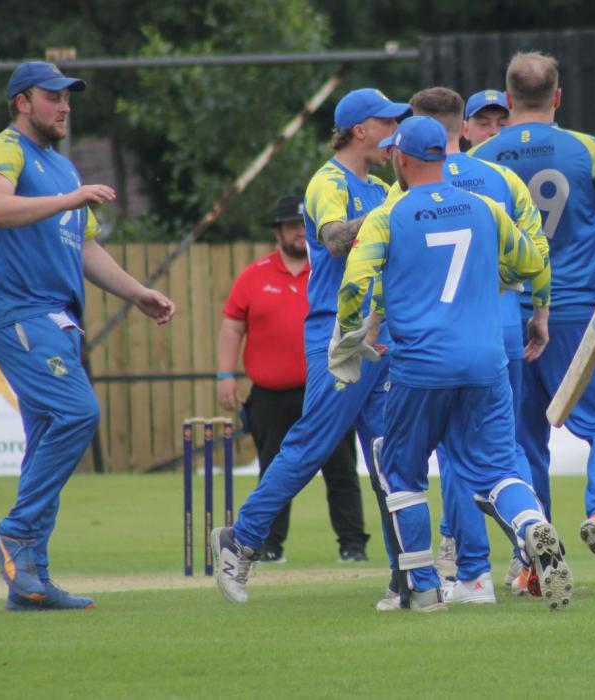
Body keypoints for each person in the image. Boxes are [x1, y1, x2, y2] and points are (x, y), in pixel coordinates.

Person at [330, 115, 571, 612]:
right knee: (499, 467)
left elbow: (355, 283)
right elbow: (534, 261)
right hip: (486, 363)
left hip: (420, 366)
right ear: (443, 153)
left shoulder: (388, 214)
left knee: (401, 469)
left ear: (400, 157)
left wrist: (349, 345)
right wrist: (529, 302)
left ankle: (420, 588)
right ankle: (532, 527)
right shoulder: (485, 208)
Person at [0, 62, 176, 611]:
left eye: (68, 99)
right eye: (52, 97)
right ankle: (14, 535)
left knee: (46, 444)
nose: (64, 107)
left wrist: (136, 292)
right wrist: (68, 200)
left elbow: (82, 248)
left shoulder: (62, 168)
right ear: (22, 102)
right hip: (19, 311)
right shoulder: (3, 150)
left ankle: (28, 581)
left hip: (56, 320)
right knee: (78, 414)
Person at [212, 88, 409, 603]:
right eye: (386, 122)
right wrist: (392, 214)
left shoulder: (383, 185)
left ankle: (406, 573)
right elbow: (335, 238)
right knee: (312, 444)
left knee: (393, 457)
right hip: (338, 337)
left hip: (380, 336)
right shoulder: (328, 181)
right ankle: (240, 539)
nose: (395, 132)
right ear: (359, 129)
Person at [470, 52, 595, 597]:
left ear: (507, 96)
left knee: (522, 440)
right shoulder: (591, 151)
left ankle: (533, 559)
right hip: (580, 315)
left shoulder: (481, 156)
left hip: (507, 316)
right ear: (558, 97)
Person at [400, 87, 549, 604]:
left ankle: (469, 569)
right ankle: (529, 541)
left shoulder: (402, 198)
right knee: (506, 450)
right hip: (500, 332)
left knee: (455, 458)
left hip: (433, 347)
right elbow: (536, 253)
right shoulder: (500, 180)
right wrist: (540, 310)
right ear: (462, 126)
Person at [216, 195, 370, 564]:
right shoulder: (255, 275)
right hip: (271, 392)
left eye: (305, 226)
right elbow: (232, 327)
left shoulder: (332, 269)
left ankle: (353, 544)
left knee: (342, 468)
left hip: (328, 385)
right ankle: (267, 543)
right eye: (291, 226)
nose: (299, 232)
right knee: (273, 468)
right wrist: (225, 374)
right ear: (277, 232)